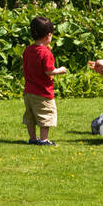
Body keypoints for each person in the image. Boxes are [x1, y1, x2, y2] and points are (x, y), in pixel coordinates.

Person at [23, 16, 67, 146]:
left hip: (28, 91)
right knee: (45, 115)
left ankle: (33, 138)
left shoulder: (28, 50)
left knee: (30, 116)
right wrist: (60, 70)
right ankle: (43, 140)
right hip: (42, 92)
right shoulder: (46, 53)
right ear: (49, 35)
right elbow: (49, 71)